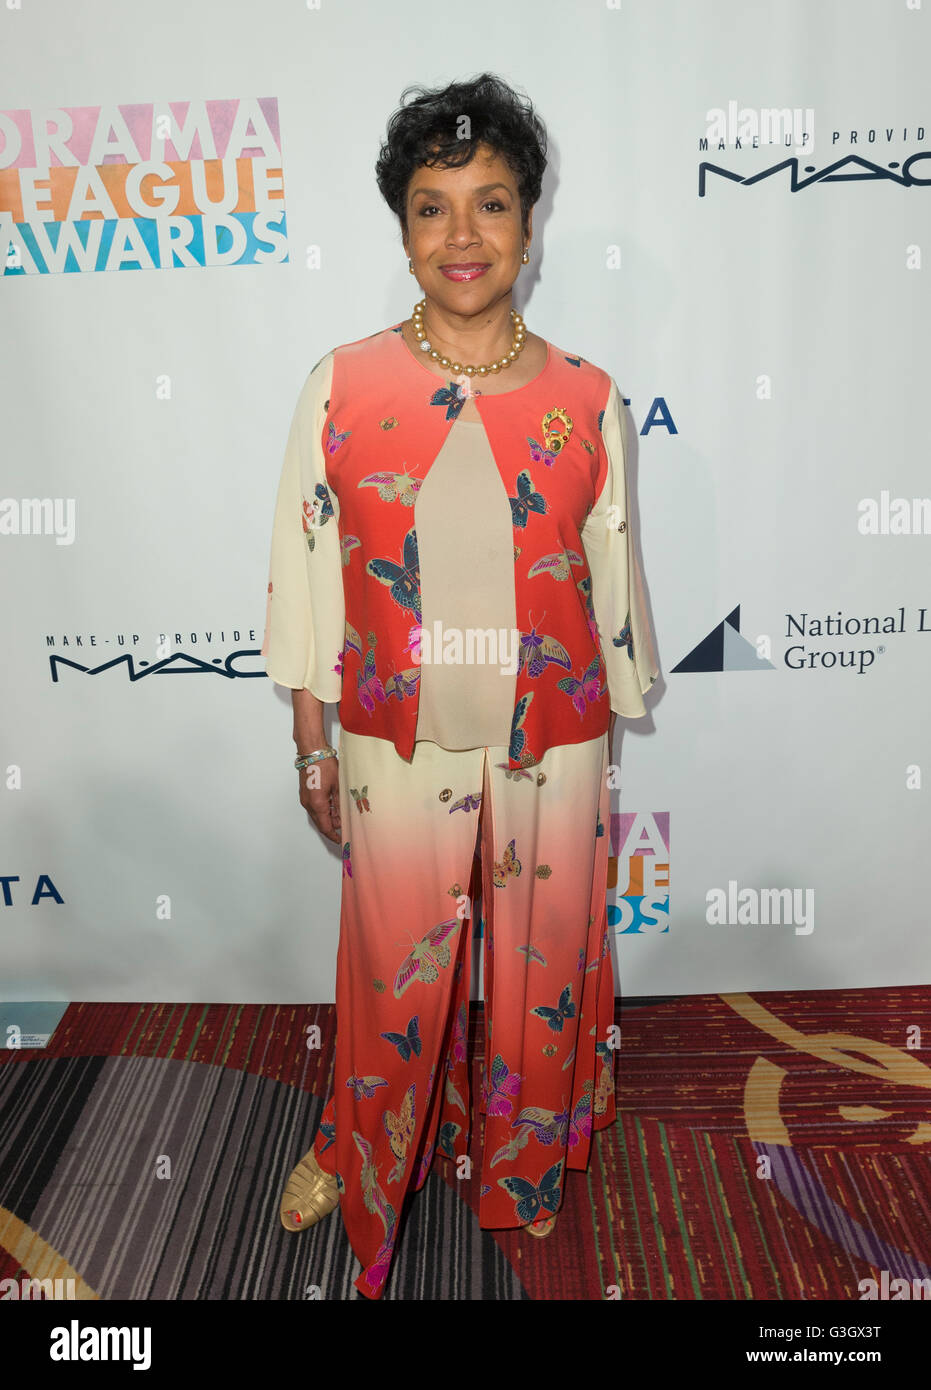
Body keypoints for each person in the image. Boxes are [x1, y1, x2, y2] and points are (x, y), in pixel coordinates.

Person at [261, 72, 658, 1300]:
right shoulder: (342, 384)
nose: (464, 237)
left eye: (491, 205)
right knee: (392, 962)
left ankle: (525, 1164)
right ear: (402, 228)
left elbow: (611, 578)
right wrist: (312, 741)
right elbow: (306, 576)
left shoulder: (590, 397)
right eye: (433, 208)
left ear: (530, 223)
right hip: (395, 731)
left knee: (542, 964)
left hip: (551, 732)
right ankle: (358, 1149)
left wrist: (614, 703)